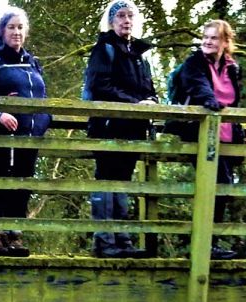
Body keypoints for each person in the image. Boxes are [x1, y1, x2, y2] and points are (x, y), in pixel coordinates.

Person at [0, 6, 49, 257]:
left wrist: (44, 120)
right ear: (2, 31)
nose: (16, 32)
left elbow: (43, 97)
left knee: (22, 184)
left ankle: (15, 235)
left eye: (20, 27)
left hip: (29, 137)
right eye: (11, 27)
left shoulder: (33, 62)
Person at [83, 0, 156, 259]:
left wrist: (151, 102)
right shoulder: (104, 49)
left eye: (131, 16)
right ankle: (104, 241)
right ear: (112, 21)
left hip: (133, 128)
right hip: (108, 126)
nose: (127, 21)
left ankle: (122, 240)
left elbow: (149, 89)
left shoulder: (139, 54)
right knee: (106, 178)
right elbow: (100, 85)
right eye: (121, 16)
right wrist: (135, 103)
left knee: (123, 180)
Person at [171, 19, 244, 260]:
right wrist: (209, 100)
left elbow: (235, 101)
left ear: (225, 41)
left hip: (225, 134)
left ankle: (209, 242)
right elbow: (195, 83)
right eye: (206, 37)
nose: (208, 41)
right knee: (215, 183)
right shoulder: (194, 62)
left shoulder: (233, 67)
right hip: (199, 130)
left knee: (222, 187)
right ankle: (204, 244)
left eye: (214, 38)